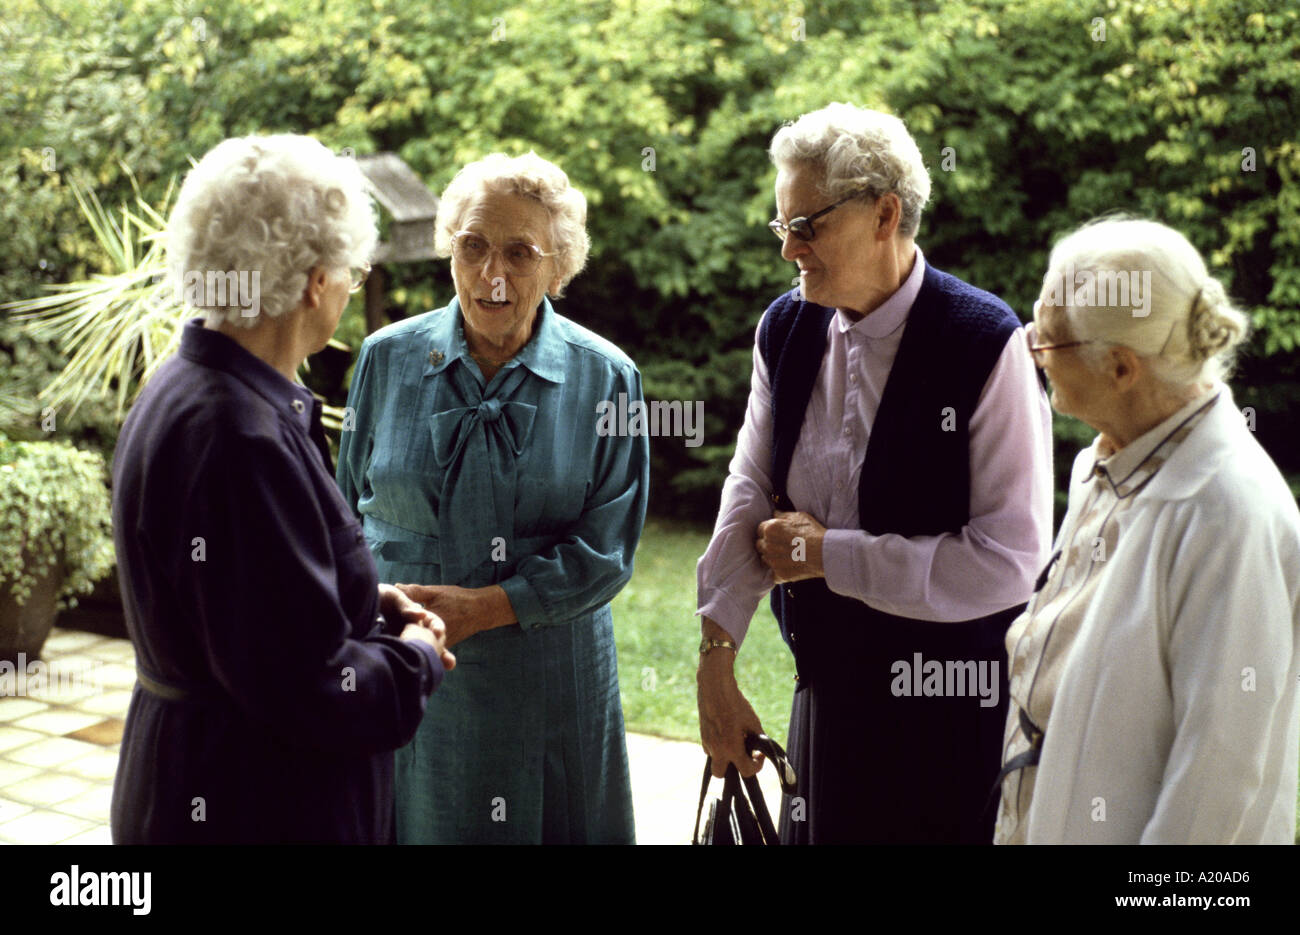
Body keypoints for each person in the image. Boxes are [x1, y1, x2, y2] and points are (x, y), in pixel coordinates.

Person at [695, 103, 1054, 844]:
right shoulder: (785, 329)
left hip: (953, 720)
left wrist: (829, 555)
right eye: (782, 226)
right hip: (827, 699)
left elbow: (1011, 562)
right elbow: (748, 488)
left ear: (885, 214)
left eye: (808, 226)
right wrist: (716, 657)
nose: (788, 250)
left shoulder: (986, 343)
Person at [111, 134, 454, 844]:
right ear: (312, 282)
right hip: (252, 802)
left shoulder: (191, 387)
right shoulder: (240, 435)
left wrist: (361, 601)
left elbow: (254, 615)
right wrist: (416, 654)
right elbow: (310, 689)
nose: (351, 288)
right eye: (353, 270)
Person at [336, 151, 649, 844]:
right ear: (450, 245)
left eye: (520, 252)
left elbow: (608, 549)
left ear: (558, 265)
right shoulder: (386, 359)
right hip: (410, 674)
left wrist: (487, 607)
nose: (491, 274)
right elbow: (341, 519)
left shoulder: (608, 379)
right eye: (473, 246)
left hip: (548, 686)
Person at [996, 218, 1300, 844]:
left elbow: (1217, 783)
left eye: (1049, 341)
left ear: (1122, 369)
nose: (1030, 347)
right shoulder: (1101, 465)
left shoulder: (1226, 512)